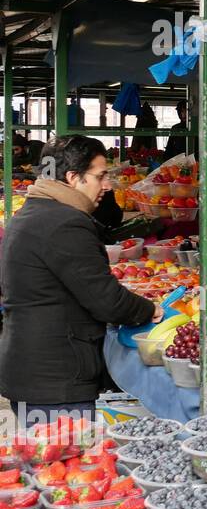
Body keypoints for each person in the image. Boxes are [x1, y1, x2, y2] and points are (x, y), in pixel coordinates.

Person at [0, 136, 160, 415]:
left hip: (32, 367)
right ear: (74, 177)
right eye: (100, 176)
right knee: (67, 454)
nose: (108, 185)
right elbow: (107, 301)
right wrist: (149, 309)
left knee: (48, 457)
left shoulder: (34, 211)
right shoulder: (65, 223)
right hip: (56, 378)